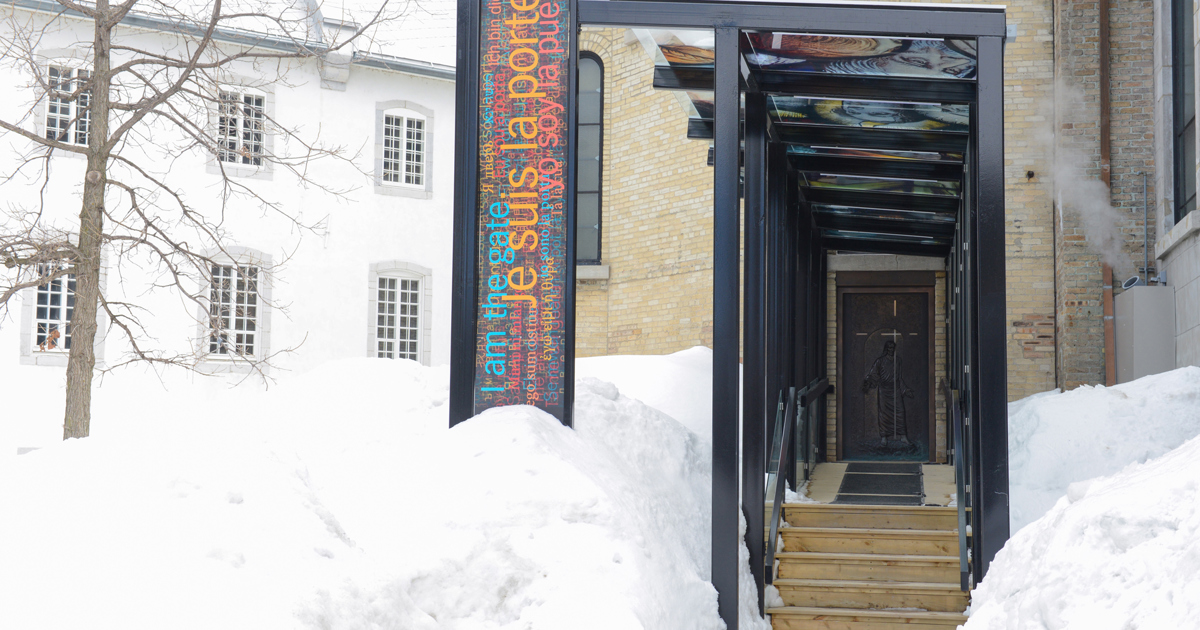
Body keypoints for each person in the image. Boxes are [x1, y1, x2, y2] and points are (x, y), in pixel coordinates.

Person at [862, 340, 913, 446]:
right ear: (886, 349)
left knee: (900, 412)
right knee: (884, 414)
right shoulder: (880, 361)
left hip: (896, 390)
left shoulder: (898, 360)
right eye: (889, 348)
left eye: (892, 348)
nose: (891, 350)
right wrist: (868, 382)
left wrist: (905, 390)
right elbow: (873, 374)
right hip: (884, 391)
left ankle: (903, 436)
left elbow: (899, 377)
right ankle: (884, 437)